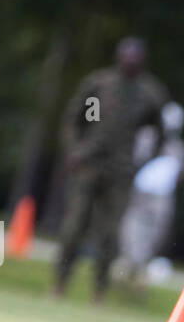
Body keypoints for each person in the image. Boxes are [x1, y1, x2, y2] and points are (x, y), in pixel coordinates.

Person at [55, 37, 169, 300]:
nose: (130, 62)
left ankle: (99, 289)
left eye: (135, 58)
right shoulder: (99, 84)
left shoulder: (149, 93)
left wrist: (142, 163)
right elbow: (74, 119)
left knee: (109, 233)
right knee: (74, 226)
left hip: (121, 171)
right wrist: (74, 150)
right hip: (89, 164)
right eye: (126, 56)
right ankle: (60, 282)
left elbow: (161, 134)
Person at [118, 101, 184, 281]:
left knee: (157, 230)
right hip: (141, 192)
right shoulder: (147, 138)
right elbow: (135, 159)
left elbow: (181, 172)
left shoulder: (178, 148)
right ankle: (129, 260)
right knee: (132, 224)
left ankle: (140, 262)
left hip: (162, 196)